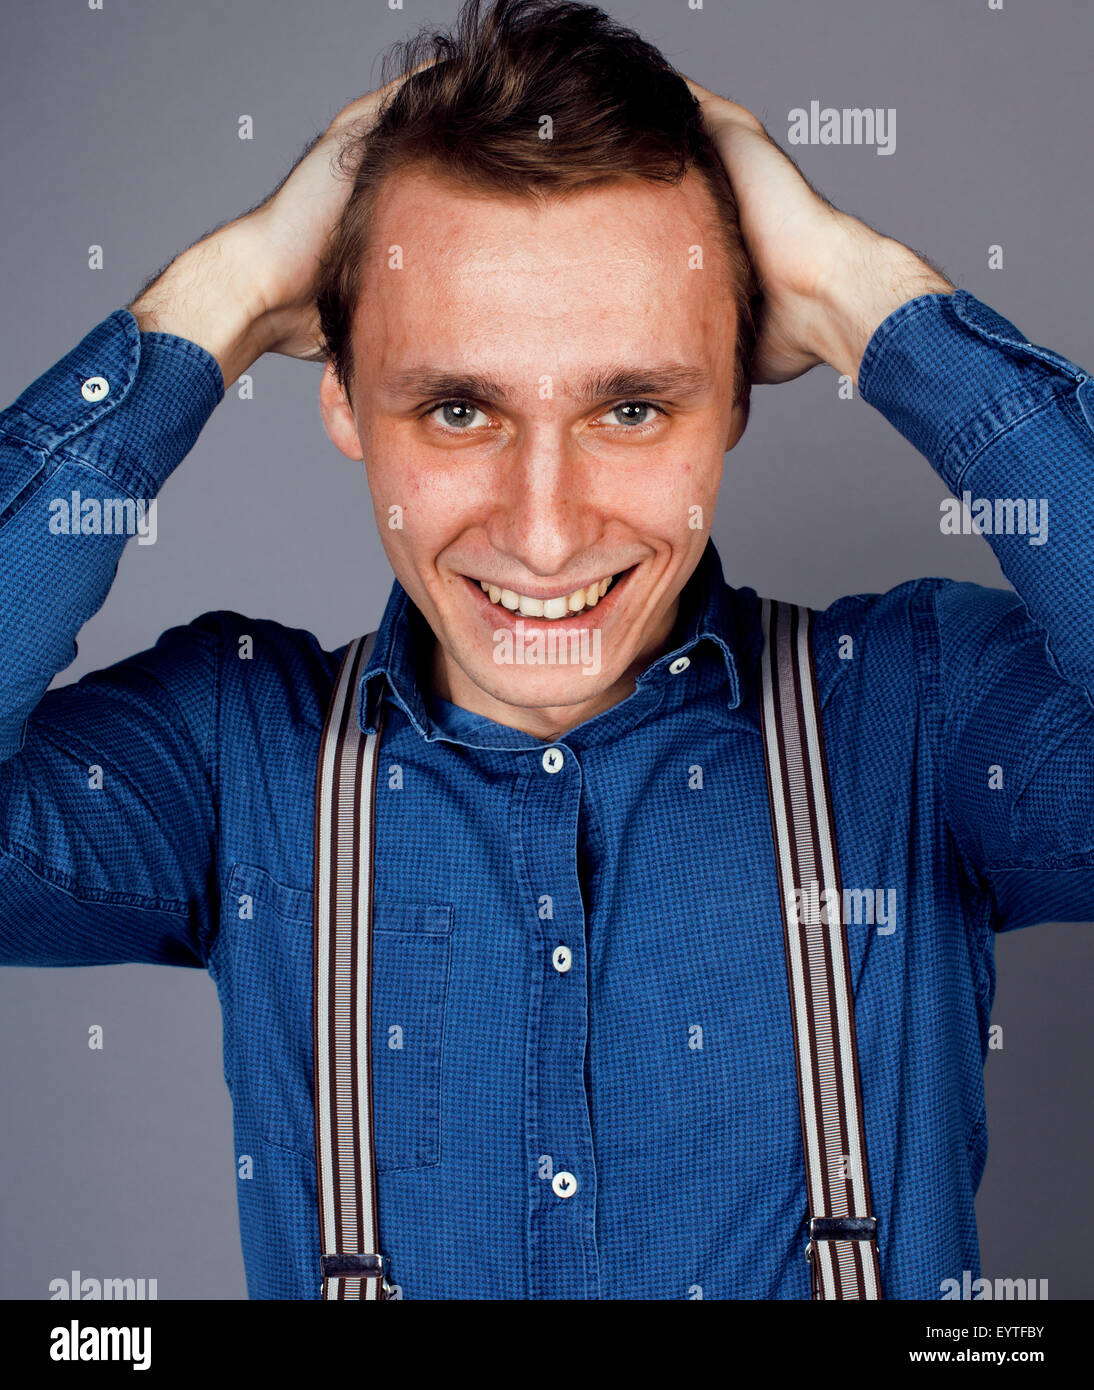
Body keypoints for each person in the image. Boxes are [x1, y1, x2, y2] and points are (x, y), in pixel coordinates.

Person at [2, 0, 1092, 1300]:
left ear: (737, 393)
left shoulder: (922, 715)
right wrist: (213, 298)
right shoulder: (231, 753)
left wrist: (874, 298)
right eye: (457, 406)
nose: (542, 530)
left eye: (631, 406)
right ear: (340, 391)